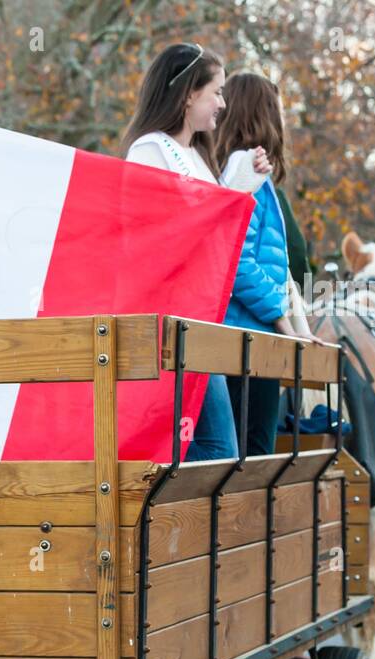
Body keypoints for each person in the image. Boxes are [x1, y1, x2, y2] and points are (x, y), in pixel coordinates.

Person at [120, 43, 269, 461]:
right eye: (216, 92)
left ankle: (170, 520)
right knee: (214, 450)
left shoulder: (196, 157)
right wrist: (231, 195)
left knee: (217, 449)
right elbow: (153, 242)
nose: (223, 103)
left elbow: (213, 240)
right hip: (165, 325)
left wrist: (240, 187)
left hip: (198, 321)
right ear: (188, 94)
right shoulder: (149, 152)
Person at [213, 73, 317, 455]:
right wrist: (280, 318)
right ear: (264, 114)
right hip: (245, 335)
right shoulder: (244, 169)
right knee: (251, 455)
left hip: (253, 333)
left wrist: (298, 326)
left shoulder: (254, 172)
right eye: (280, 111)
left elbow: (278, 265)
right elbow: (236, 258)